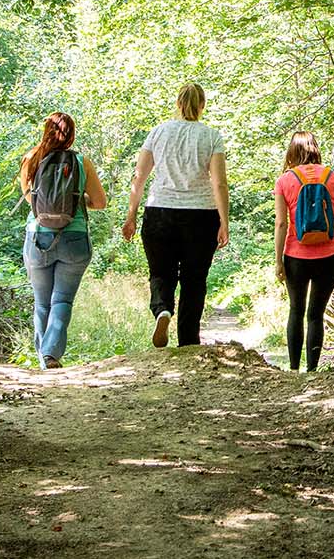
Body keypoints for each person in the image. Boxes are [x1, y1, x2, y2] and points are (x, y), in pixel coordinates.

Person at [121, 83, 229, 348]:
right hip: (201, 216)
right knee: (194, 280)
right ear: (202, 105)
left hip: (160, 212)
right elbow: (219, 183)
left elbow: (140, 177)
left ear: (178, 104)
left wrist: (131, 215)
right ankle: (188, 343)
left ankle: (163, 310)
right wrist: (224, 221)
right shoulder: (211, 136)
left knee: (160, 272)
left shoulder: (158, 132)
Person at [19, 112, 106, 368]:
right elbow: (100, 202)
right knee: (62, 300)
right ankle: (51, 353)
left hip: (38, 238)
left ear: (46, 131)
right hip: (74, 238)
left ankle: (44, 359)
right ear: (72, 134)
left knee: (42, 301)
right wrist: (77, 201)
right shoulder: (81, 161)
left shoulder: (31, 158)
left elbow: (30, 200)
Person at [272, 131, 334, 372]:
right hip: (330, 254)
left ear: (292, 152)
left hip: (296, 255)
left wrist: (278, 261)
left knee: (296, 310)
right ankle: (312, 371)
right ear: (316, 149)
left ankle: (294, 369)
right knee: (316, 314)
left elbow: (281, 224)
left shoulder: (285, 180)